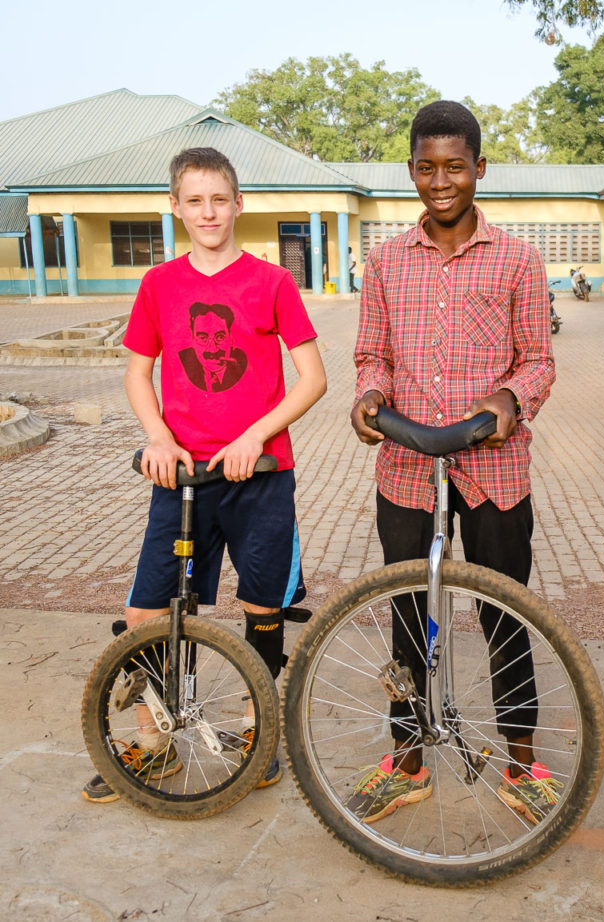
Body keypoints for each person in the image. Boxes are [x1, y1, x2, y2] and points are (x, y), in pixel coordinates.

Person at [82, 147, 327, 803]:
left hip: (263, 473)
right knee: (147, 612)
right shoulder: (159, 285)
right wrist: (158, 436)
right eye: (195, 200)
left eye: (220, 199)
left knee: (261, 607)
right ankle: (155, 737)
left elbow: (314, 379)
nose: (209, 212)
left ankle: (258, 733)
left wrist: (255, 435)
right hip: (182, 478)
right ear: (176, 207)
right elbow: (137, 373)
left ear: (238, 203)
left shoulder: (271, 282)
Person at [349, 100, 556, 825]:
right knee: (410, 614)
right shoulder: (384, 261)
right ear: (411, 171)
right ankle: (407, 761)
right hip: (406, 465)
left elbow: (538, 360)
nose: (442, 181)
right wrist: (370, 397)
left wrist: (507, 401)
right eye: (427, 168)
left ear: (479, 169)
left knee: (506, 614)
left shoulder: (519, 259)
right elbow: (372, 354)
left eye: (456, 167)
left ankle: (523, 761)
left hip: (493, 468)